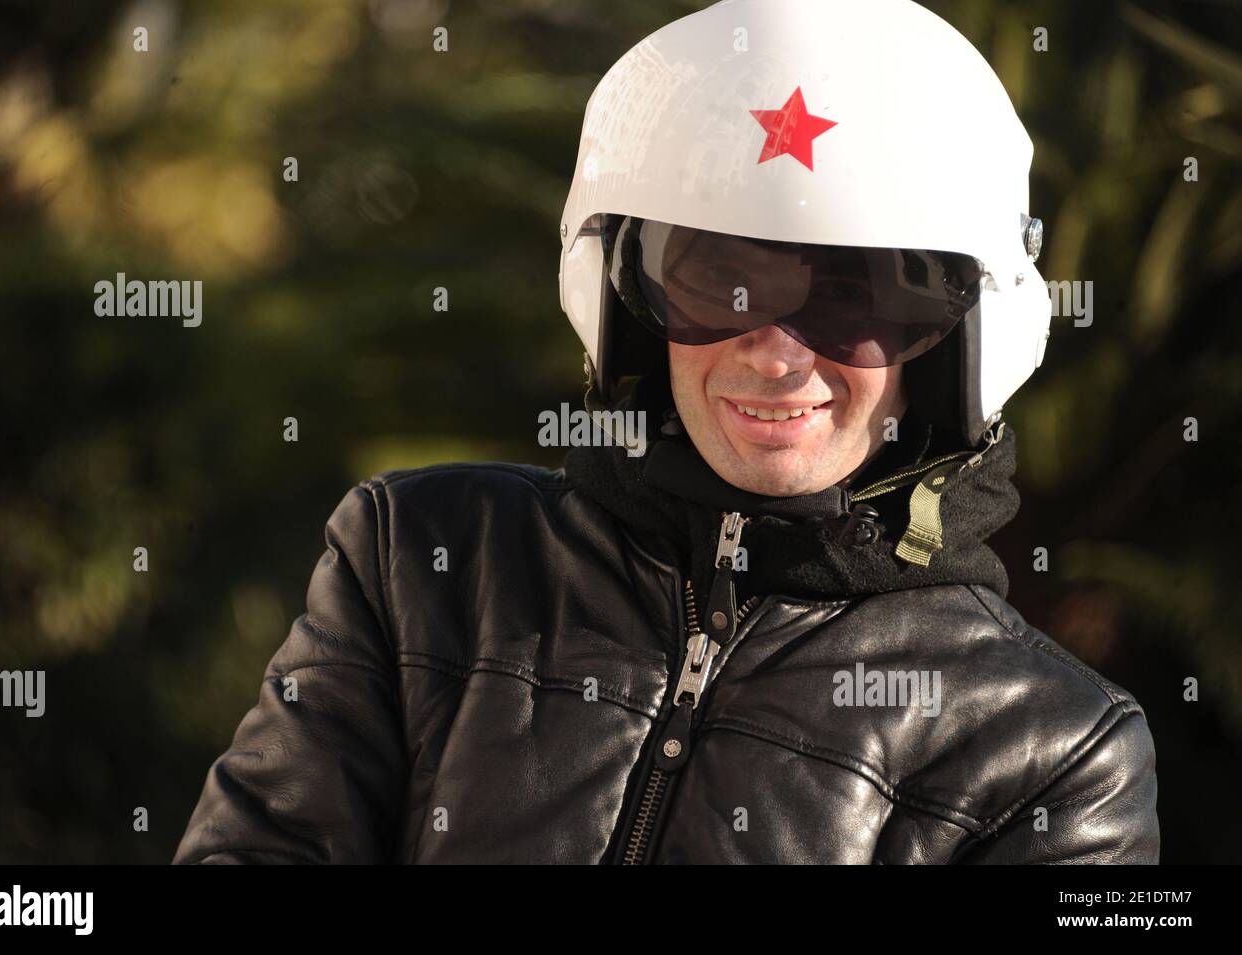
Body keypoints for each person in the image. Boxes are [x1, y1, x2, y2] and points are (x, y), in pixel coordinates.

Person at [173, 0, 1159, 864]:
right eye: (717, 279)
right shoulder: (423, 562)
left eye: (853, 295)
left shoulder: (1055, 750)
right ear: (631, 306)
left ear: (949, 346)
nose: (774, 354)